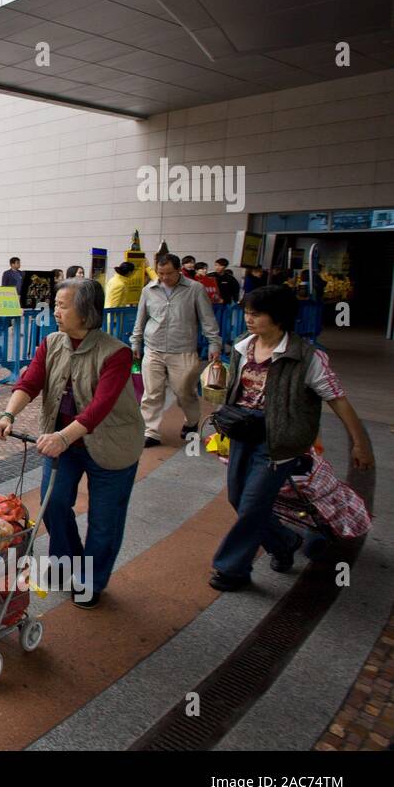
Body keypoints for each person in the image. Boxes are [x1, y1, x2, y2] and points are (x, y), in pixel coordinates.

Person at [0, 278, 142, 607]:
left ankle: (91, 580)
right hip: (64, 445)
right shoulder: (52, 343)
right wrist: (7, 417)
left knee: (104, 520)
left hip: (111, 447)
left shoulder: (116, 353)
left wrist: (62, 436)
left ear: (86, 312)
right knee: (53, 504)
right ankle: (67, 563)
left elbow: (100, 407)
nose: (55, 311)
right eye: (55, 304)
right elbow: (29, 382)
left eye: (62, 305)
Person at [210, 285, 374, 591]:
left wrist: (360, 443)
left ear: (279, 317)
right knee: (238, 498)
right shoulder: (244, 346)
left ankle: (231, 569)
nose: (248, 318)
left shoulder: (307, 358)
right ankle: (285, 540)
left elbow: (337, 398)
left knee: (253, 505)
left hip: (279, 442)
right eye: (246, 312)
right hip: (242, 433)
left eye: (256, 314)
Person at [130, 253, 221, 448]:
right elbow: (141, 319)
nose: (164, 277)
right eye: (160, 273)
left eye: (168, 273)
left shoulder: (195, 289)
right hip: (153, 348)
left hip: (183, 350)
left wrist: (214, 343)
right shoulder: (149, 290)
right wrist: (135, 343)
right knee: (152, 392)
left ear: (179, 270)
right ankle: (150, 431)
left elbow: (207, 318)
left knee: (184, 392)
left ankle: (191, 421)